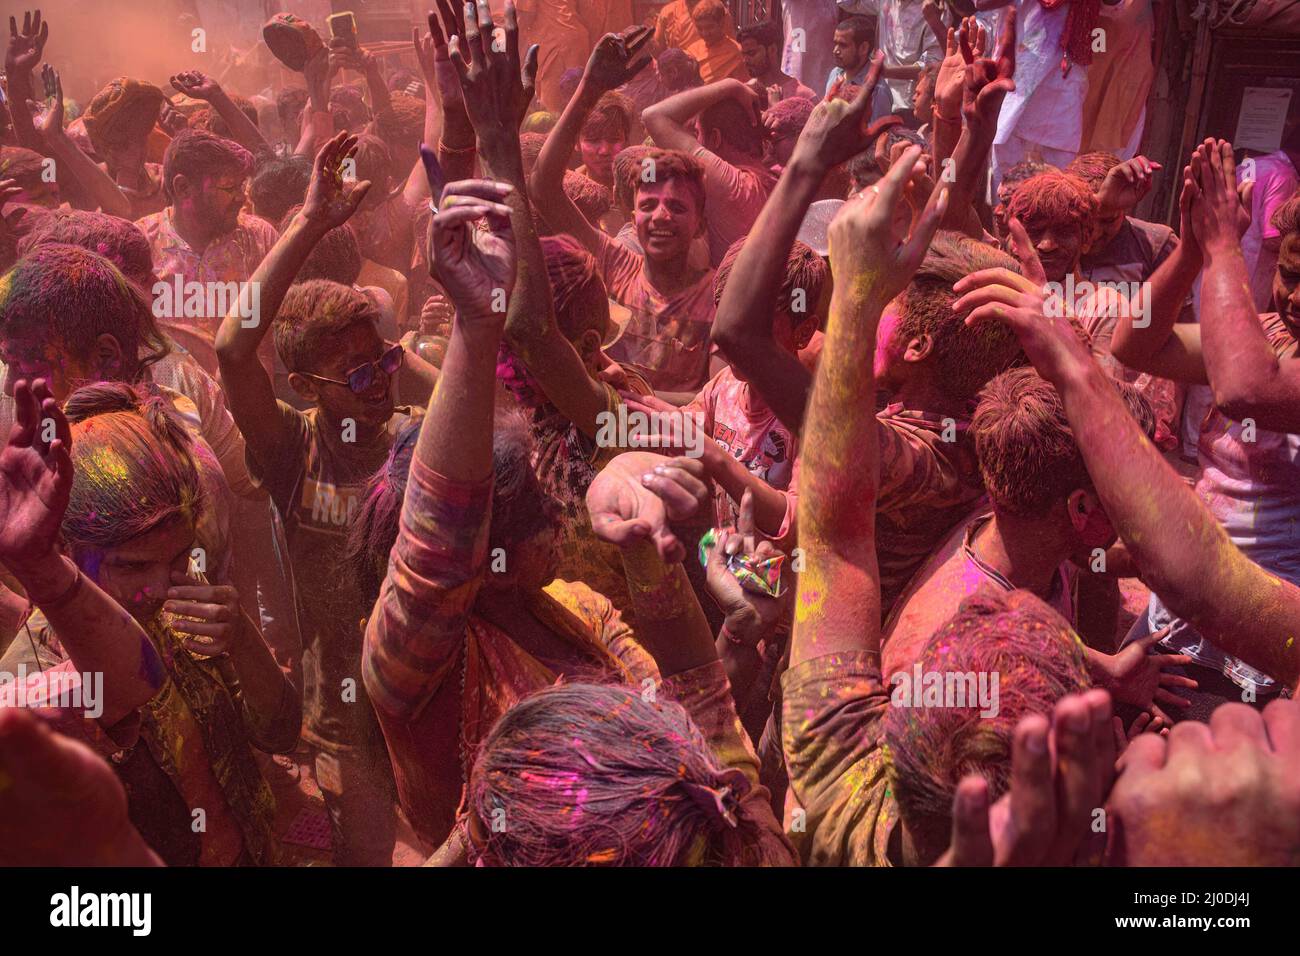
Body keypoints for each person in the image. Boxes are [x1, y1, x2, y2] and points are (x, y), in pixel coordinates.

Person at [0, 380, 299, 866]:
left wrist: (243, 638)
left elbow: (282, 732)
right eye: (134, 567)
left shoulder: (188, 619)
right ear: (64, 552)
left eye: (179, 557)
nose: (161, 588)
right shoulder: (33, 682)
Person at [215, 132, 407, 866]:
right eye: (355, 376)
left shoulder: (417, 440)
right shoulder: (293, 450)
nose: (380, 383)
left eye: (382, 362)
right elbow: (234, 348)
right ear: (305, 389)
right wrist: (309, 222)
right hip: (345, 717)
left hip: (429, 695)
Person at [1106, 140, 1300, 715]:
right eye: (1290, 273)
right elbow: (1136, 341)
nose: (1297, 298)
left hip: (1265, 640)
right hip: (1177, 620)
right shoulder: (1265, 332)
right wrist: (1191, 249)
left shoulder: (1254, 357)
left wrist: (1223, 248)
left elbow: (1245, 391)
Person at [533, 29, 717, 392]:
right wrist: (590, 88)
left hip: (670, 445)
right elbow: (542, 188)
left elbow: (711, 404)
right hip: (606, 436)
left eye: (677, 206)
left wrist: (631, 392)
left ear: (699, 226)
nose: (661, 216)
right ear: (633, 219)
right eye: (648, 205)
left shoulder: (715, 297)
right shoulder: (618, 264)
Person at [136, 129, 279, 345]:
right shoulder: (141, 244)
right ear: (182, 188)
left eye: (241, 186)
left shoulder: (261, 238)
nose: (241, 198)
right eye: (230, 188)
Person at [643, 77, 778, 265]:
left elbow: (653, 116)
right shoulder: (777, 174)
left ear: (715, 138)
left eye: (698, 133)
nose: (695, 140)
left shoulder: (731, 184)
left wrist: (731, 86)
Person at [824, 15, 892, 122]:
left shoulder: (878, 90)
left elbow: (876, 134)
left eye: (843, 45)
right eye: (835, 43)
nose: (835, 50)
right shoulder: (834, 74)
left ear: (863, 48)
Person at [738, 21, 817, 103]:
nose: (745, 60)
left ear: (772, 50)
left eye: (751, 53)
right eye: (743, 55)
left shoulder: (803, 97)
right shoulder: (744, 92)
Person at [684, 0, 748, 84]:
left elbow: (744, 86)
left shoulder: (736, 52)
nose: (705, 33)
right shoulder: (692, 50)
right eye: (700, 28)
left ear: (721, 23)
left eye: (709, 27)